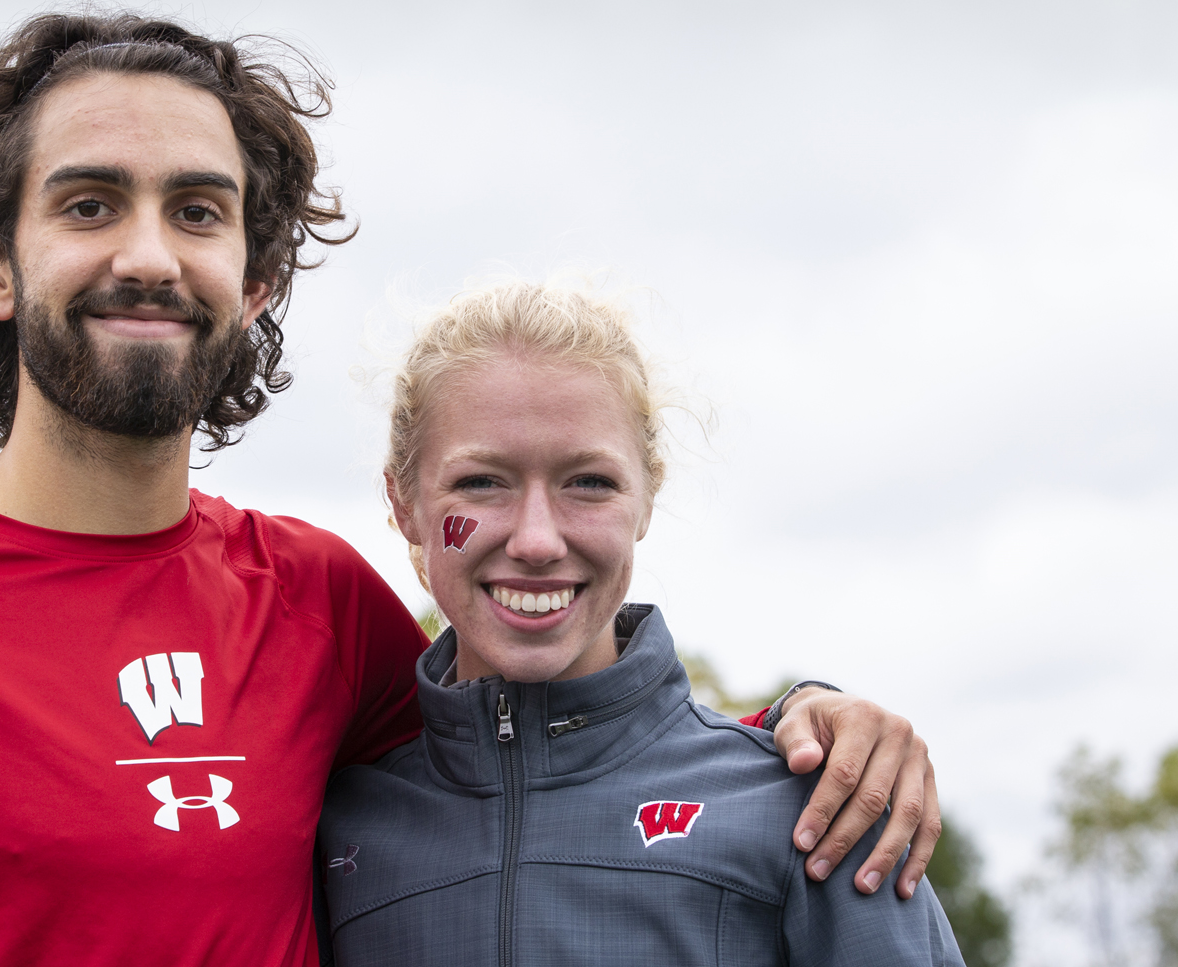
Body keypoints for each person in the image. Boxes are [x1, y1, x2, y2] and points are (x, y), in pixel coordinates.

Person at [0, 12, 939, 967]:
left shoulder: (317, 605)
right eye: (89, 204)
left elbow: (551, 739)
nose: (150, 252)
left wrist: (804, 725)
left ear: (254, 281)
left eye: (199, 211)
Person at [318, 280, 961, 964]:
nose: (537, 540)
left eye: (589, 482)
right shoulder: (331, 833)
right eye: (481, 481)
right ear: (403, 501)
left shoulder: (820, 808)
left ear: (648, 496)